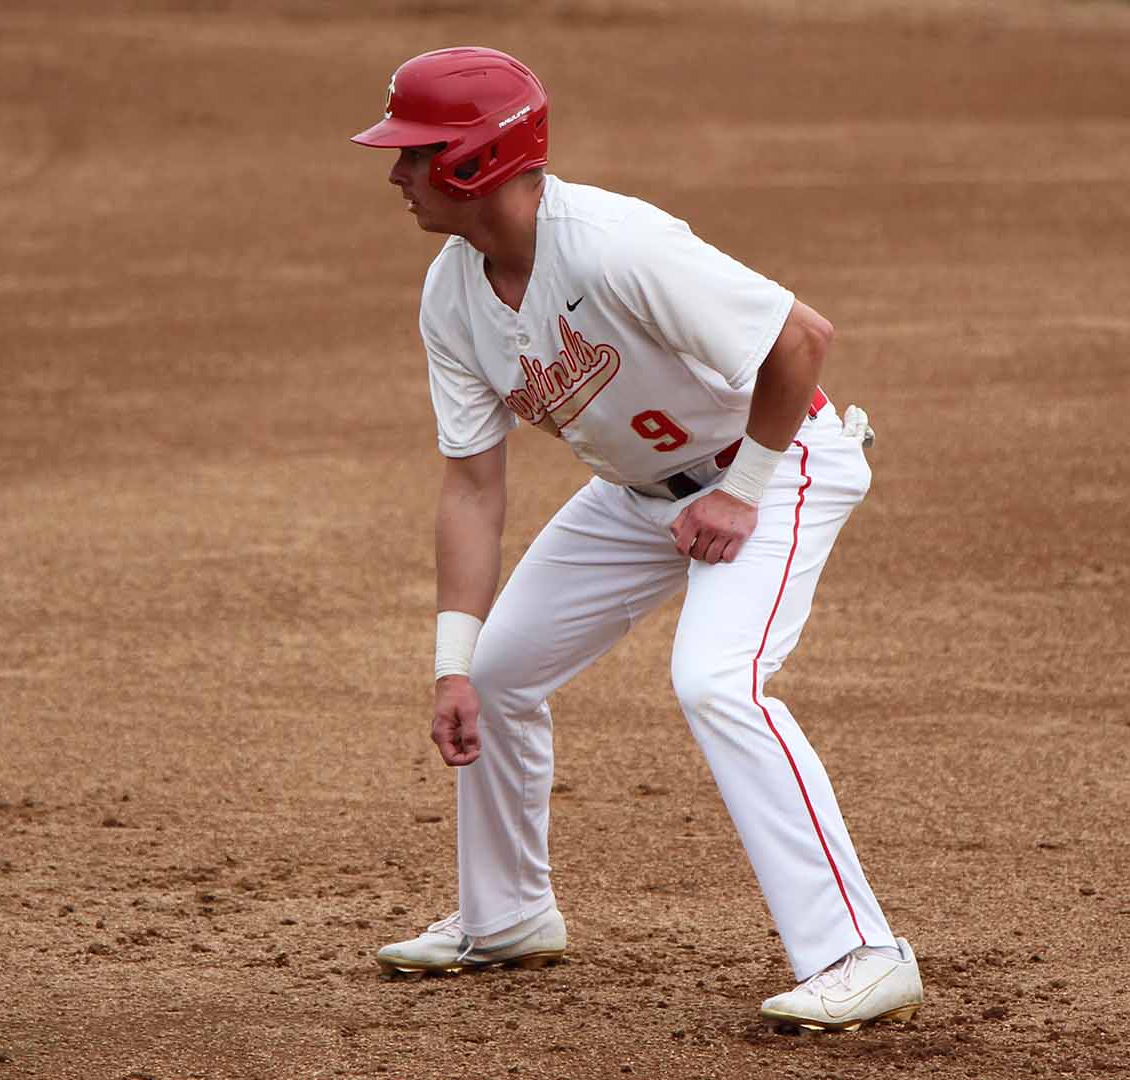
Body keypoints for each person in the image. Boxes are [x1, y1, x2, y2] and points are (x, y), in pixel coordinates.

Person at [348, 45, 922, 1031]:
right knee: (495, 672)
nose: (395, 174)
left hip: (776, 466)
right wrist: (450, 664)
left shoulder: (611, 242)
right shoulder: (451, 297)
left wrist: (741, 491)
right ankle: (507, 916)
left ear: (479, 160)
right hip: (637, 495)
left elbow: (801, 339)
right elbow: (473, 486)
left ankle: (861, 952)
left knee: (714, 678)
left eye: (415, 152)